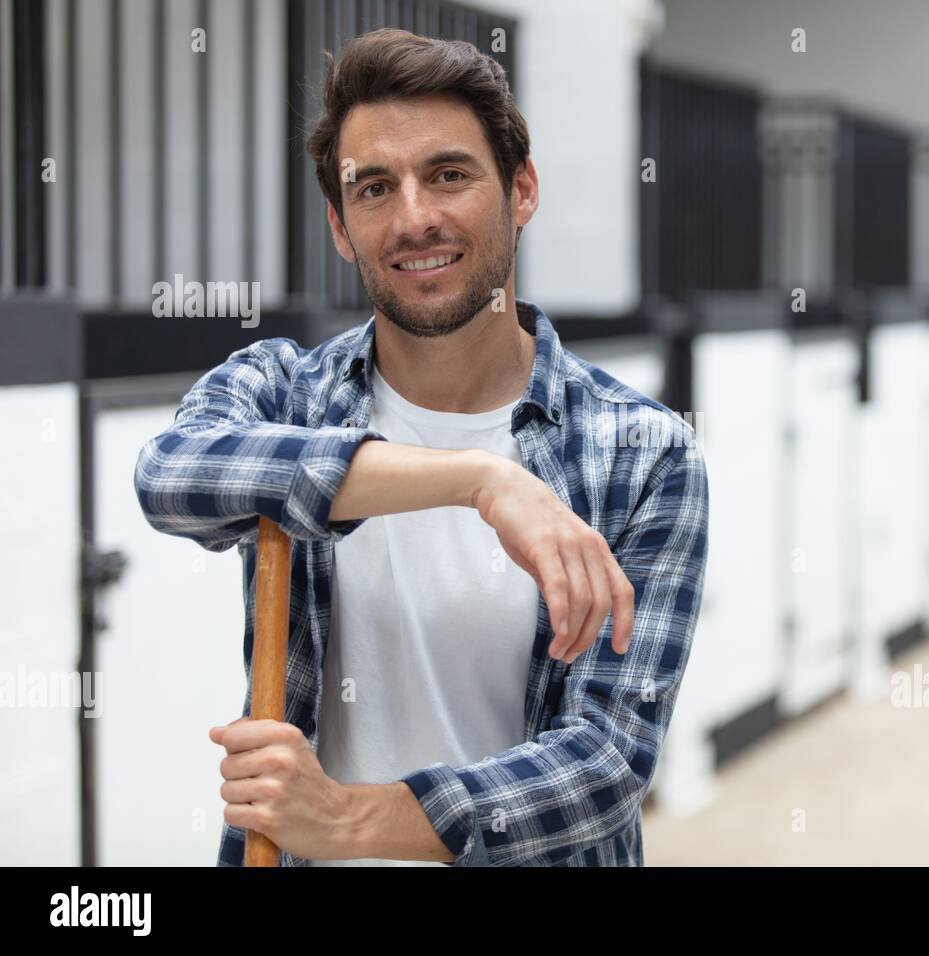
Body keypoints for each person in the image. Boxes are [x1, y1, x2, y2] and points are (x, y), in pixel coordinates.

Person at [133, 28, 709, 867]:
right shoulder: (286, 394)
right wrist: (477, 480)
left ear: (521, 189)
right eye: (373, 188)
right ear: (339, 225)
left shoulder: (642, 454)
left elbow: (606, 761)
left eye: (448, 174)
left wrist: (348, 820)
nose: (414, 219)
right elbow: (169, 475)